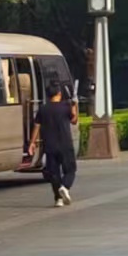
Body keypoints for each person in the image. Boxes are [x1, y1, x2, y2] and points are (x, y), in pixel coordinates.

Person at [28, 77, 77, 208]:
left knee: (54, 173)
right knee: (70, 170)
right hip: (65, 144)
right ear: (59, 93)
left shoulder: (43, 109)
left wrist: (32, 143)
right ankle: (65, 187)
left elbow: (37, 126)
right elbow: (74, 120)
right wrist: (74, 106)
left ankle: (58, 199)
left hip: (50, 145)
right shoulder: (65, 107)